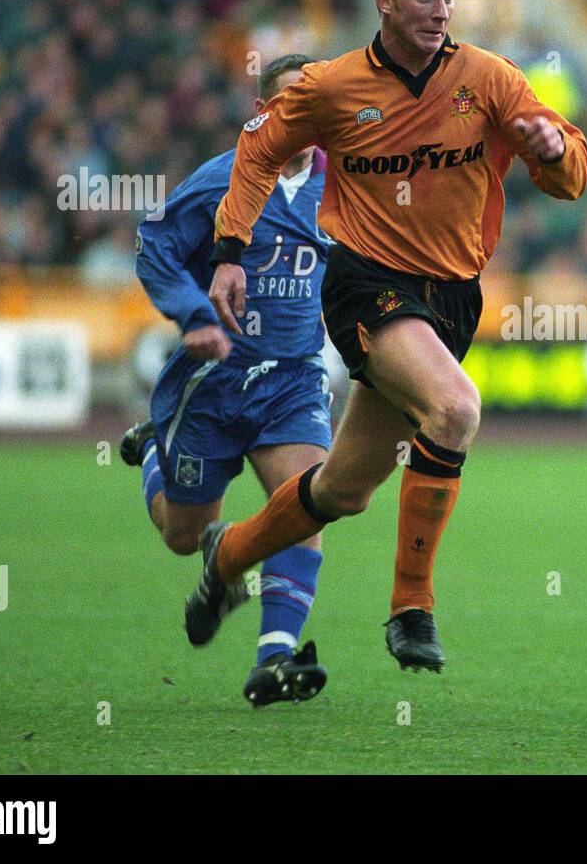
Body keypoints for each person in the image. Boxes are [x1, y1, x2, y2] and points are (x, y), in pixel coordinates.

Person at [185, 0, 587, 673]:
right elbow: (258, 150)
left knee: (344, 488)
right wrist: (229, 253)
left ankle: (228, 555)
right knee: (458, 410)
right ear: (385, 1)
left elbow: (571, 176)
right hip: (367, 284)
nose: (441, 11)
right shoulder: (334, 86)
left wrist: (553, 149)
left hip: (452, 297)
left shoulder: (489, 78)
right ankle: (412, 607)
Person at [123, 54, 333, 707]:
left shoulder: (348, 184)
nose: (303, 115)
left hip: (294, 378)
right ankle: (157, 446)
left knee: (305, 509)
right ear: (263, 111)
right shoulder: (224, 180)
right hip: (214, 381)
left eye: (314, 104)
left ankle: (274, 659)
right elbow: (155, 247)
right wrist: (192, 317)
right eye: (289, 102)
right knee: (183, 537)